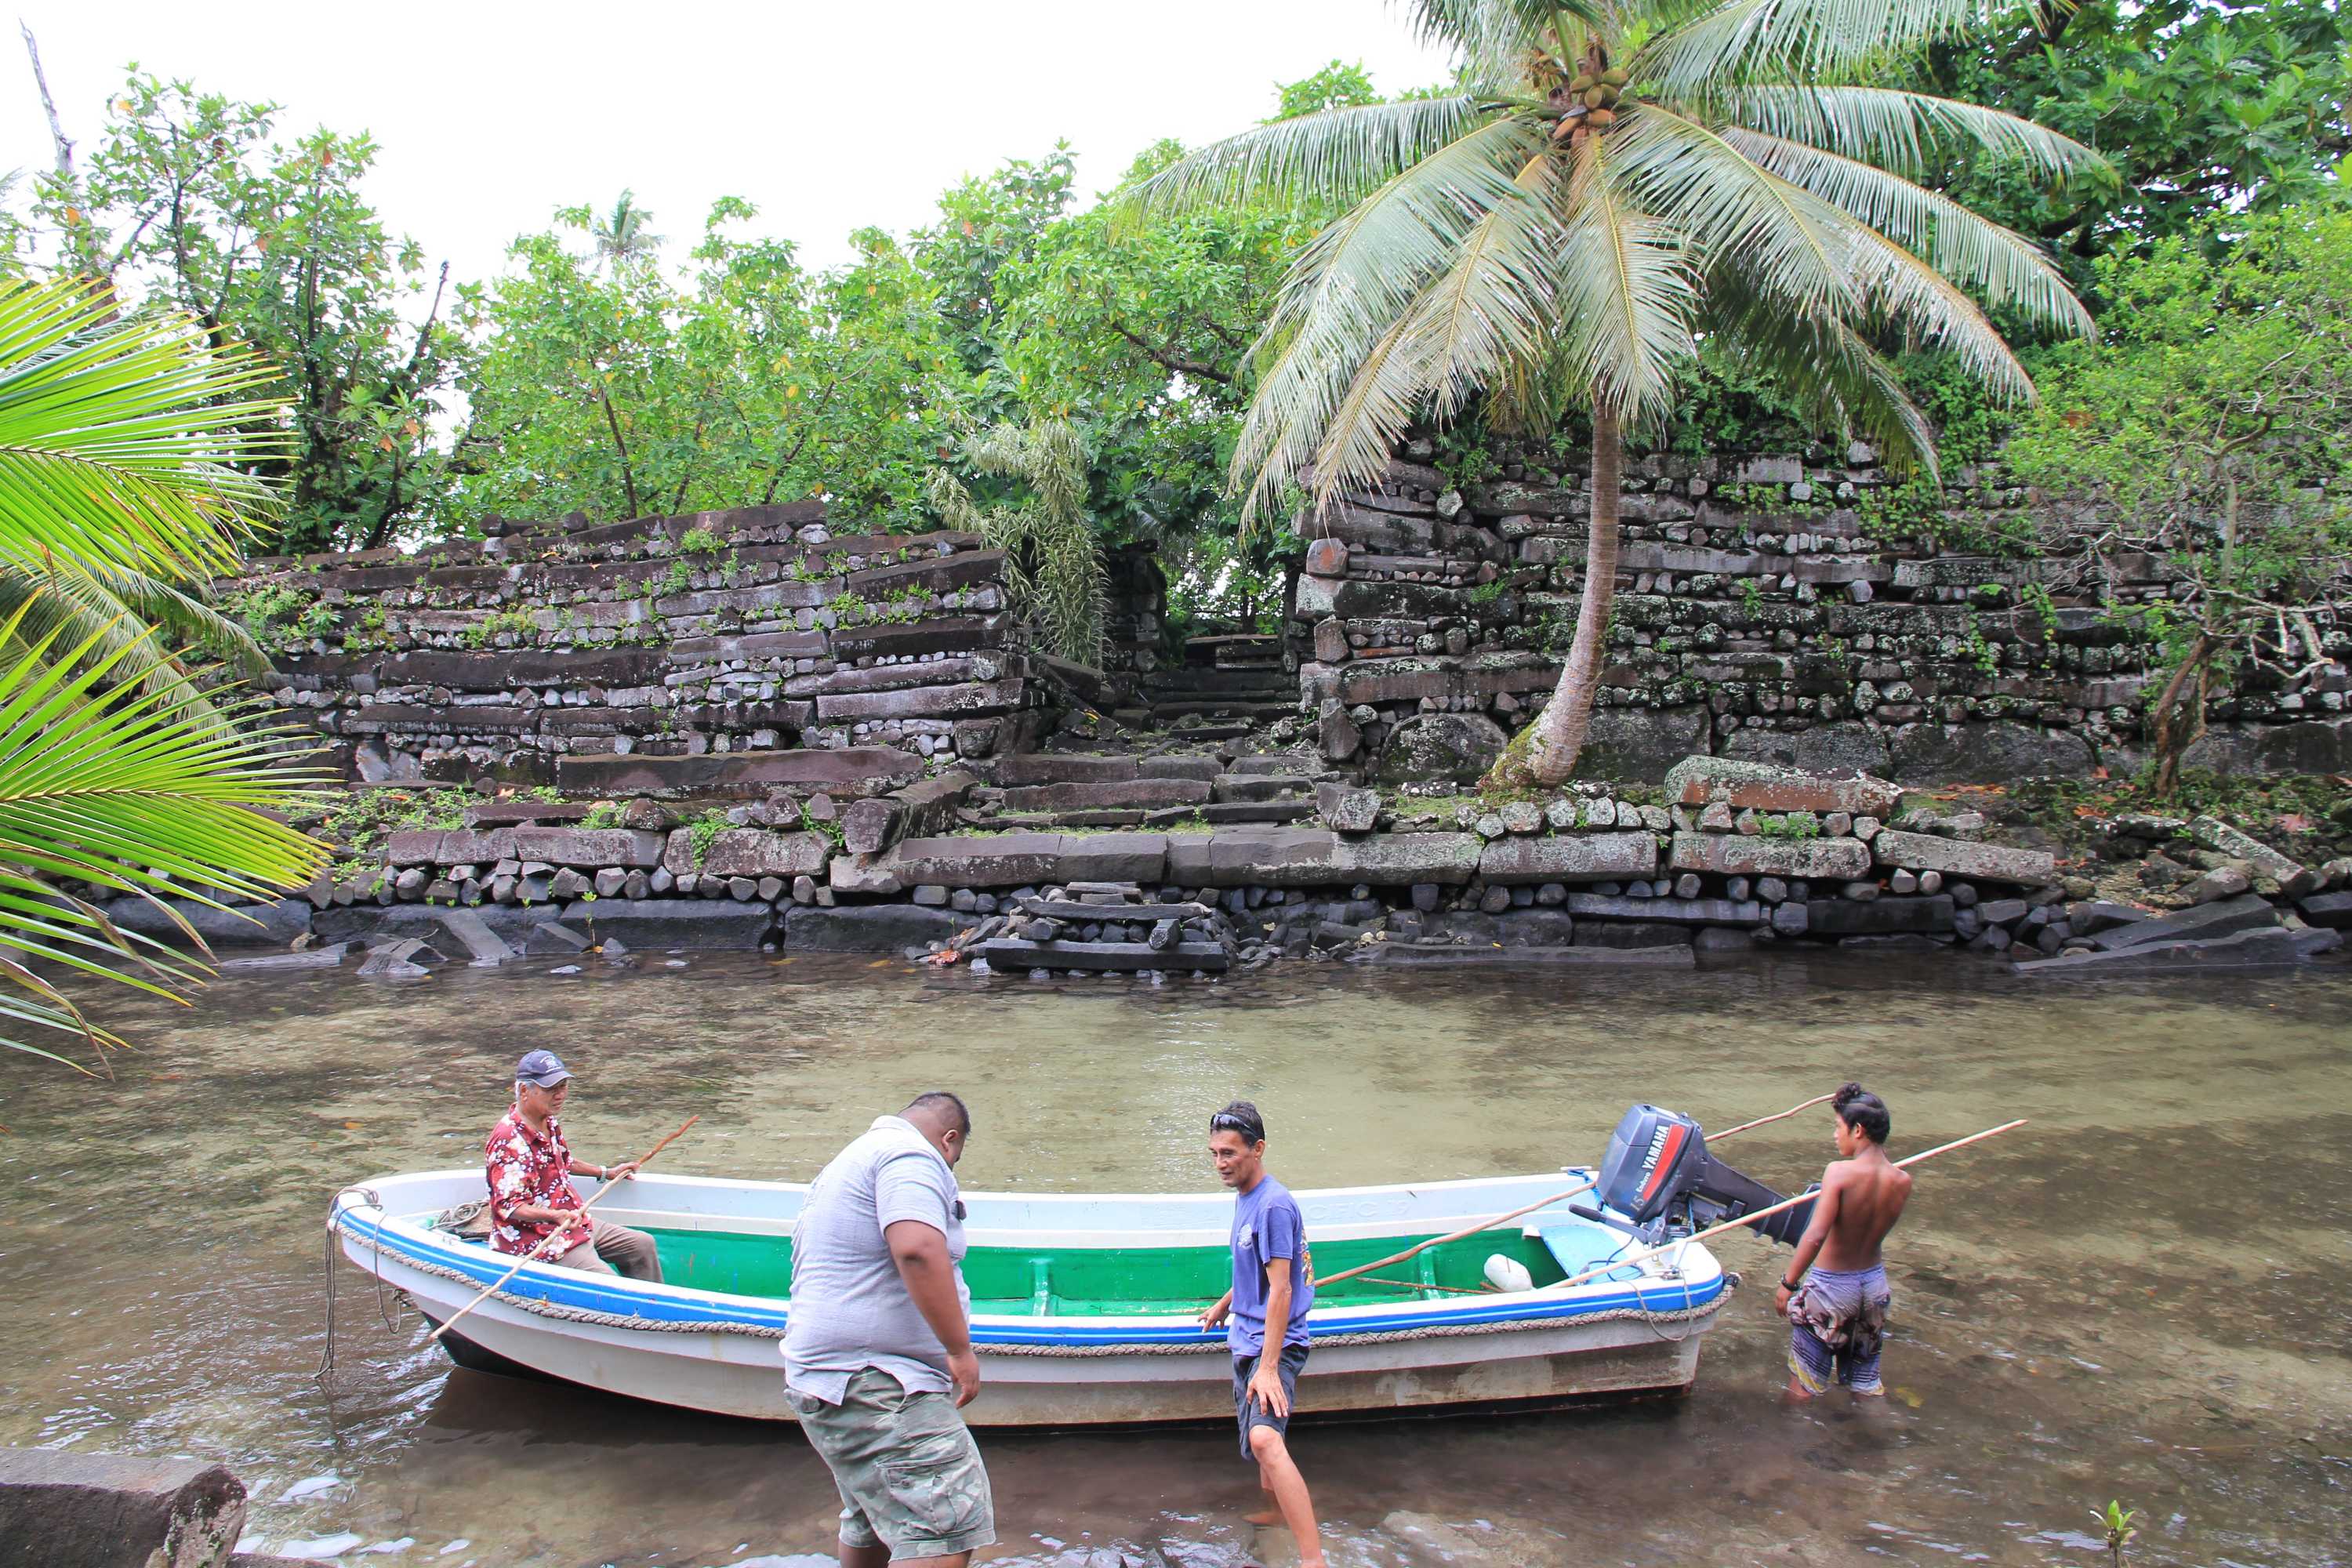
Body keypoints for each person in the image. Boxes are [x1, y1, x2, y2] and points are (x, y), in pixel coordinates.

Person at [785, 1092, 993, 1568]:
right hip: (878, 1380)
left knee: (873, 1519)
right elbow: (917, 1248)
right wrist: (958, 1350)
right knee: (945, 1528)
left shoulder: (852, 1157)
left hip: (831, 1380)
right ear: (950, 1140)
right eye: (955, 1160)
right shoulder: (910, 1155)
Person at [1200, 1100, 1325, 1568]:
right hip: (1247, 1336)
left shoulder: (1273, 1204)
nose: (1220, 1163)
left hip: (1275, 1342)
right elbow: (1254, 1268)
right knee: (1264, 1440)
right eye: (1214, 1153)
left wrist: (1269, 1368)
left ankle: (1314, 1560)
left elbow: (1282, 1289)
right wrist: (1225, 1304)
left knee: (1265, 1440)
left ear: (1258, 1149)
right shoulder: (1247, 1196)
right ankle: (1274, 1515)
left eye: (1229, 1153)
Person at [1774, 1082, 1911, 1399]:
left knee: (1803, 1389)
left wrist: (1788, 1283)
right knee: (1864, 1387)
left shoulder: (1838, 1173)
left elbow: (1816, 1235)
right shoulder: (1902, 1181)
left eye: (1838, 1127)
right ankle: (1864, 1442)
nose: (1835, 1135)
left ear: (1858, 1130)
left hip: (1832, 1289)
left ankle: (1796, 1443)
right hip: (1874, 1288)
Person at [482, 1049, 662, 1281]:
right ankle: (624, 1315)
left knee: (642, 1245)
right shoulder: (508, 1140)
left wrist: (606, 1172)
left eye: (563, 1086)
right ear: (525, 1091)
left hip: (573, 1222)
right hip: (537, 1237)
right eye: (550, 1089)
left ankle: (650, 1310)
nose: (559, 1095)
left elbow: (563, 1161)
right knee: (607, 1281)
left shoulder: (547, 1121)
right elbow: (509, 1207)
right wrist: (555, 1216)